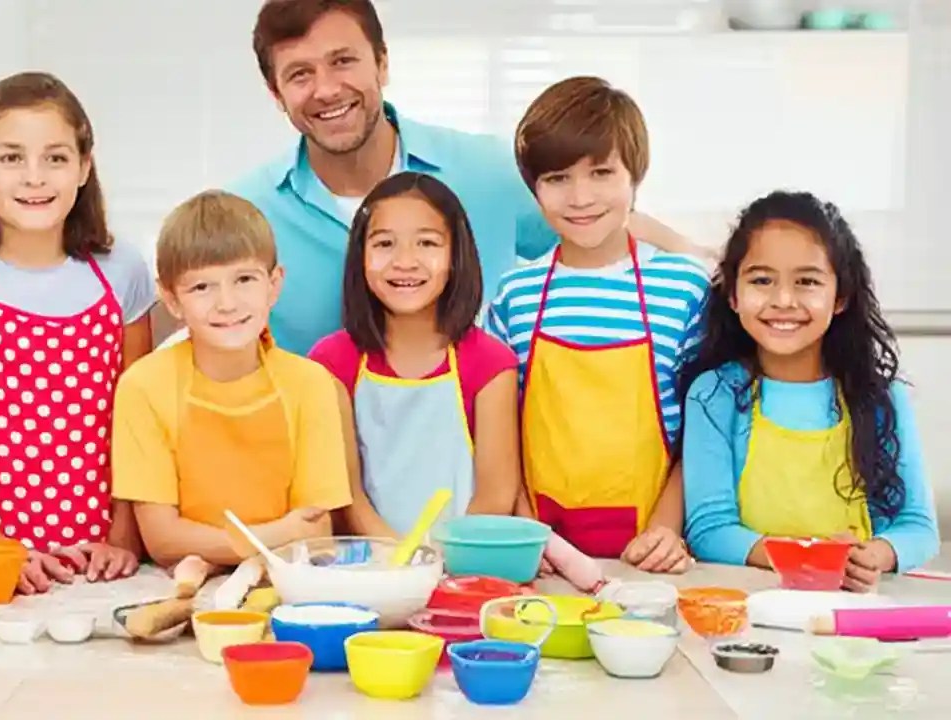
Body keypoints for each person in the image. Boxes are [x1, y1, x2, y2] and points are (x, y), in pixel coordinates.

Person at [231, 0, 707, 356]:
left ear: (382, 63)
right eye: (300, 74)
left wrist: (708, 262)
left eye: (343, 61)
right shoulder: (245, 214)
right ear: (276, 94)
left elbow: (599, 224)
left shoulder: (487, 171)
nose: (327, 89)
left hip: (481, 467)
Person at [0, 72, 153, 594]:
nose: (35, 177)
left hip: (105, 562)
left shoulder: (123, 270)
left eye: (56, 157)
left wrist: (124, 537)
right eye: (11, 157)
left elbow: (141, 421)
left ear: (84, 167)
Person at [486, 76, 709, 572]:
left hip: (656, 555)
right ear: (534, 188)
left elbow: (707, 430)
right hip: (543, 554)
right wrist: (527, 534)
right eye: (557, 178)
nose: (580, 197)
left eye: (602, 172)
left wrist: (666, 530)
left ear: (635, 177)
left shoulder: (684, 286)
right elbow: (501, 439)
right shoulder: (515, 297)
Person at [680, 190, 940, 592]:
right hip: (752, 601)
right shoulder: (714, 395)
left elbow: (919, 527)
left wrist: (875, 554)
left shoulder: (880, 397)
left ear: (840, 297)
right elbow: (709, 529)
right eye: (762, 280)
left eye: (807, 281)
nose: (783, 300)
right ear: (733, 295)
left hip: (854, 607)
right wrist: (804, 558)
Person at [112, 190, 353, 571]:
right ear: (171, 300)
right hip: (178, 587)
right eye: (201, 287)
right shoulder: (144, 386)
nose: (227, 303)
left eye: (244, 279)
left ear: (274, 285)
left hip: (286, 586)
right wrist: (279, 534)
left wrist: (216, 548)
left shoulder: (310, 384)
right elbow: (164, 542)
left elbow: (316, 532)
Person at [308, 172, 519, 538]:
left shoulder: (490, 364)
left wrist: (443, 558)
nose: (405, 261)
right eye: (385, 244)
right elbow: (348, 496)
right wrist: (398, 559)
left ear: (456, 256)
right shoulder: (331, 363)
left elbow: (496, 496)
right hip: (371, 564)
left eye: (427, 243)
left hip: (463, 565)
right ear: (360, 256)